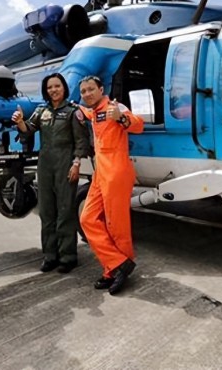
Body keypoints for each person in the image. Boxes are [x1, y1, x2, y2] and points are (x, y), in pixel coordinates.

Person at [11, 73, 90, 273]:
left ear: (63, 88)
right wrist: (20, 122)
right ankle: (50, 255)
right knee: (47, 211)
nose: (53, 90)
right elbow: (28, 129)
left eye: (57, 86)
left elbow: (81, 141)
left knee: (65, 210)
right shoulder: (41, 111)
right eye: (49, 87)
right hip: (45, 164)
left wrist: (76, 163)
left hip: (66, 163)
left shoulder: (73, 112)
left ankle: (68, 256)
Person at [77, 75, 144, 295]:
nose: (87, 94)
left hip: (116, 171)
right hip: (100, 173)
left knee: (117, 225)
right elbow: (86, 111)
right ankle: (118, 263)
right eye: (83, 91)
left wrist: (121, 118)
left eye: (91, 89)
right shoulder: (93, 111)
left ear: (101, 89)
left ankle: (114, 271)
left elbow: (138, 125)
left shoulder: (115, 107)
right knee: (87, 219)